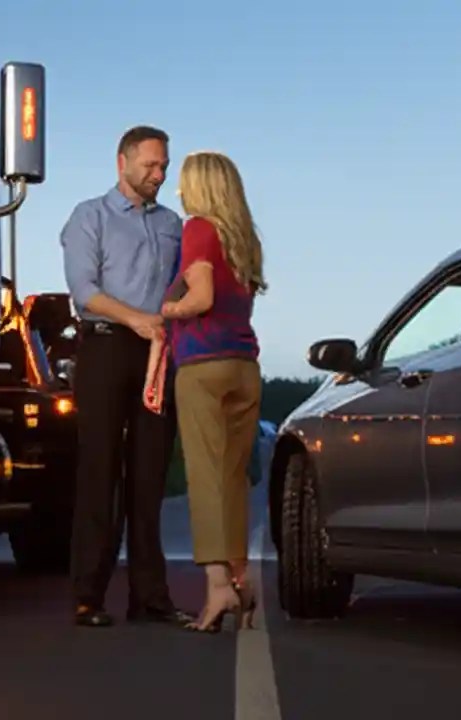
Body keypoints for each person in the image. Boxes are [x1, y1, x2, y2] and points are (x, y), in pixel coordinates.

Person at [60, 125, 193, 627]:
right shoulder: (88, 216)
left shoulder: (173, 224)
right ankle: (87, 596)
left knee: (149, 476)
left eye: (163, 166)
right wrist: (135, 318)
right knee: (99, 472)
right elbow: (83, 289)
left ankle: (150, 599)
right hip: (106, 349)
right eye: (150, 165)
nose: (158, 175)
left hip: (159, 356)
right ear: (122, 162)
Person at [160, 150, 266, 633]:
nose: (179, 192)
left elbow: (200, 298)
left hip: (203, 365)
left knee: (204, 477)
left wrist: (170, 310)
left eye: (183, 183)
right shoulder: (244, 239)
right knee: (232, 478)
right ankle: (243, 579)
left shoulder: (198, 229)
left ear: (199, 187)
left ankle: (217, 588)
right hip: (244, 366)